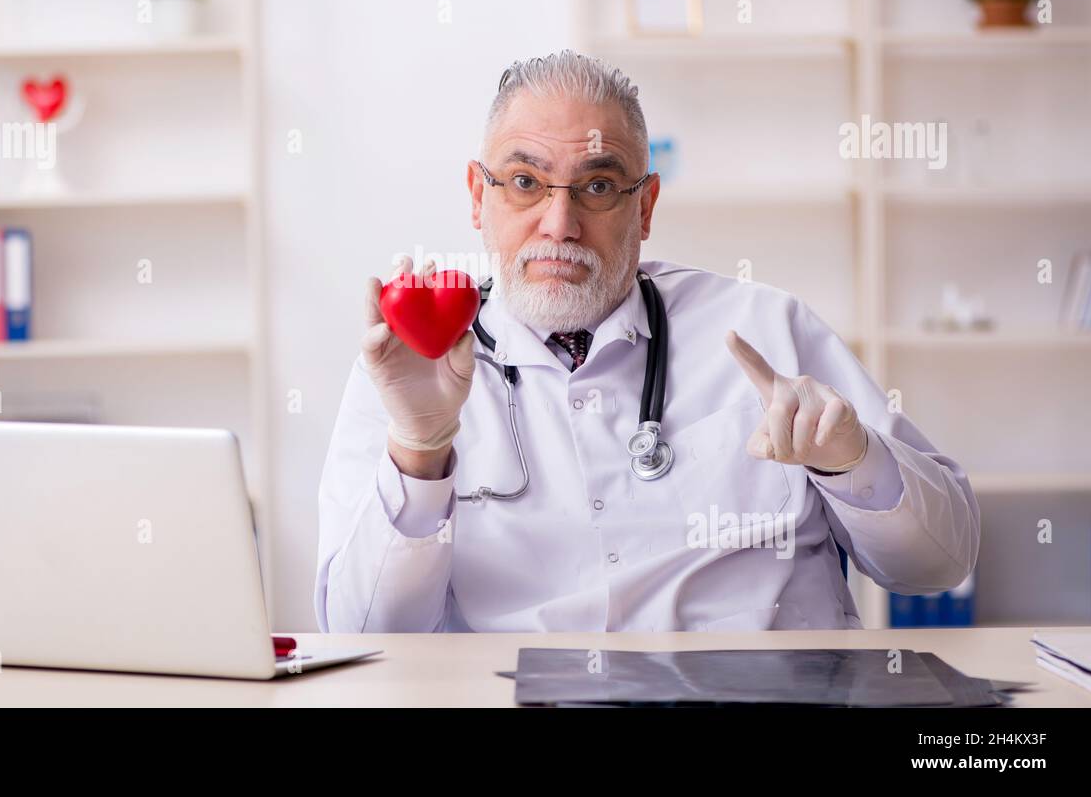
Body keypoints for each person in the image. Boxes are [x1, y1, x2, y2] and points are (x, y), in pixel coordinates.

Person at [315, 49, 979, 633]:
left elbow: (942, 561)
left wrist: (851, 459)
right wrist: (419, 450)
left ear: (646, 205)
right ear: (476, 196)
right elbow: (366, 632)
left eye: (598, 186)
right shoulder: (406, 367)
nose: (560, 222)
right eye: (525, 182)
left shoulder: (770, 329)